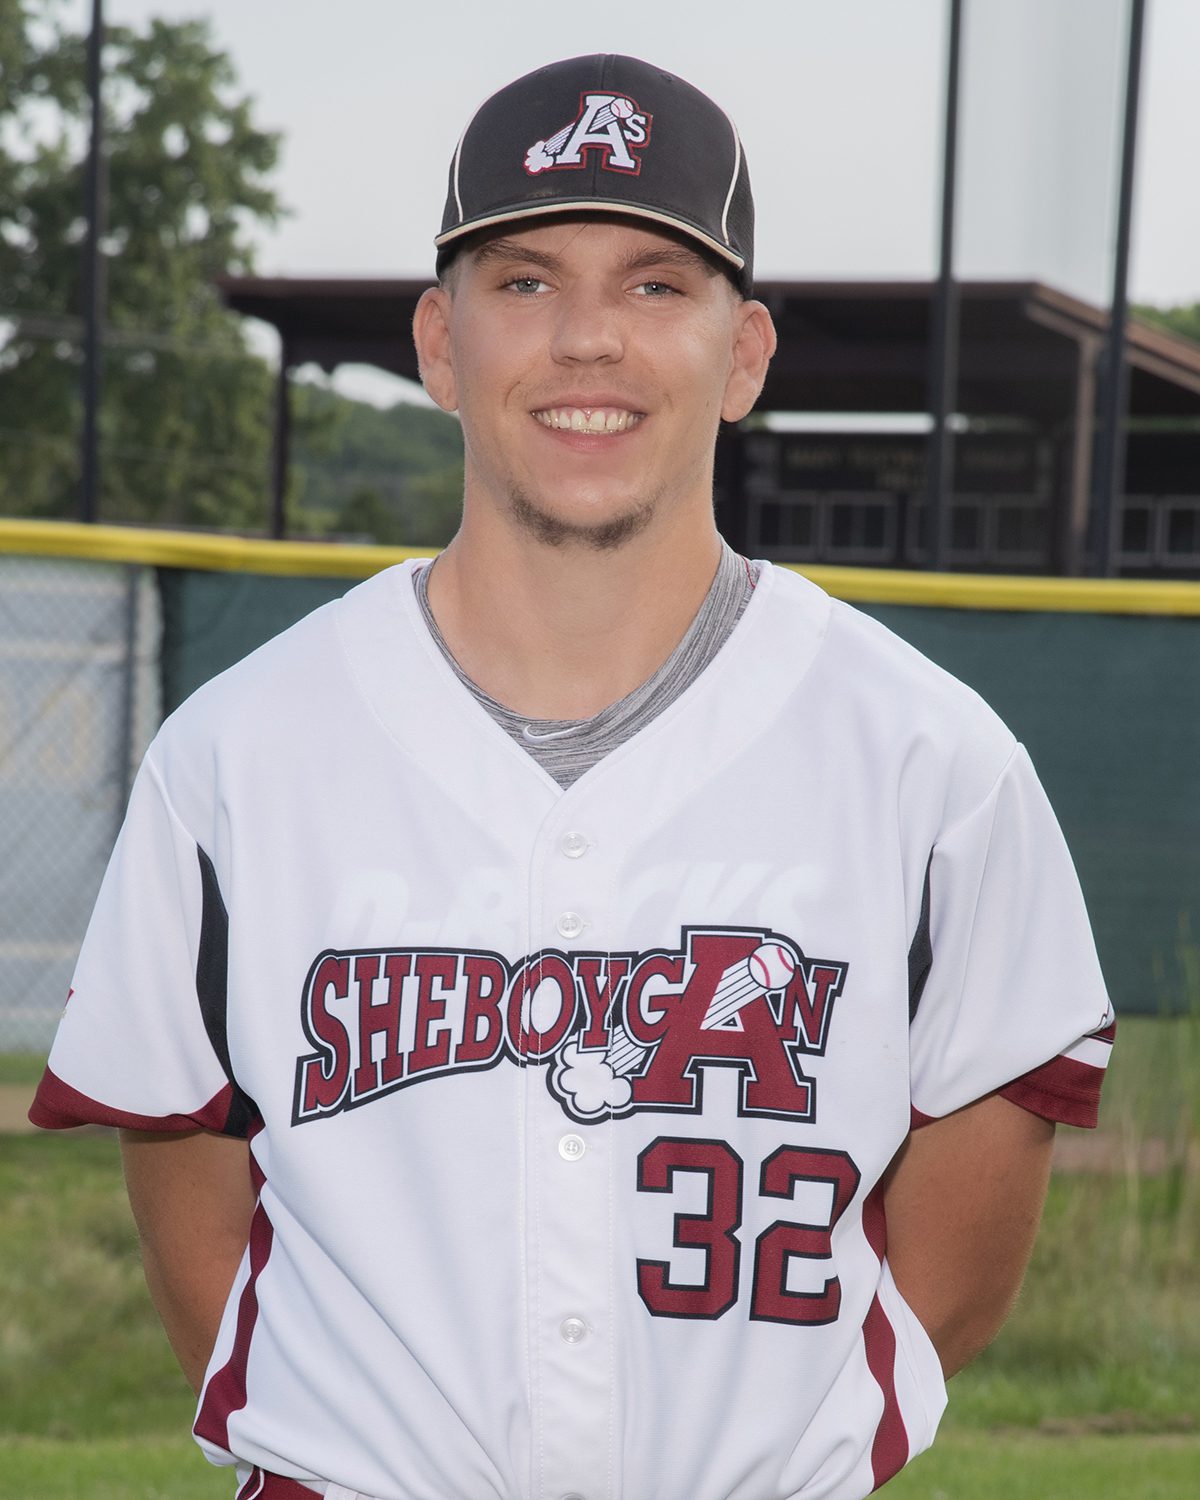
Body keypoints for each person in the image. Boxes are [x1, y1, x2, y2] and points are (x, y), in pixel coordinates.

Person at [32, 53, 1115, 1500]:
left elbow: (973, 1206)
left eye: (658, 285)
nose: (588, 339)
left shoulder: (933, 765)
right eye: (526, 282)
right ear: (439, 341)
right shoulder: (237, 754)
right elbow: (189, 1184)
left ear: (743, 355)